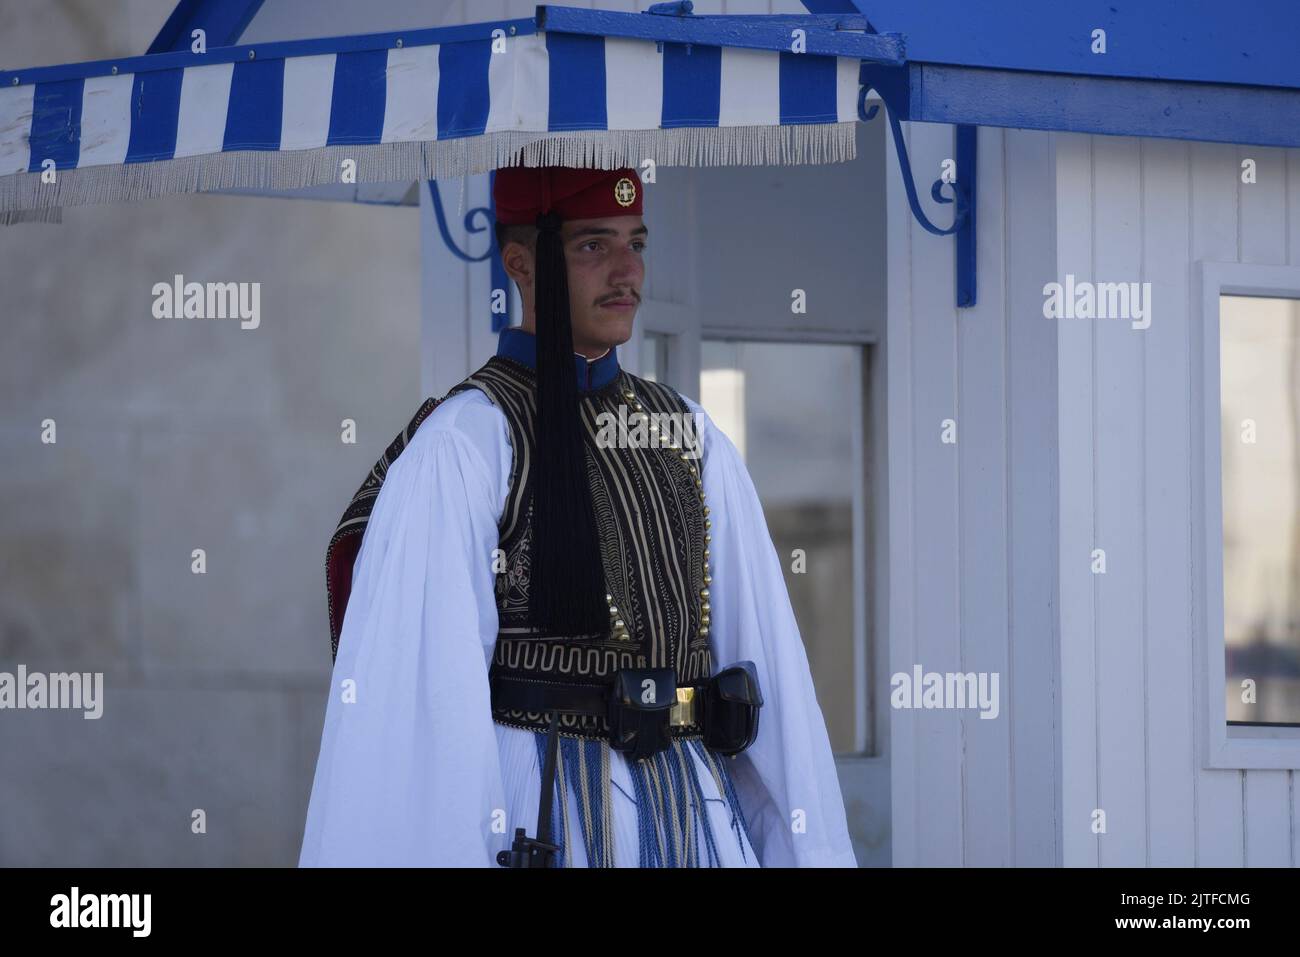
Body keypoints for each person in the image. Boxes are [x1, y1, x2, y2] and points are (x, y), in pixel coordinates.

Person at [299, 163, 857, 868]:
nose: (628, 272)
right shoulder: (467, 440)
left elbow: (768, 665)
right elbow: (427, 705)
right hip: (546, 813)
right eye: (595, 246)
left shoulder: (690, 434)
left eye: (638, 243)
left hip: (696, 816)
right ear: (521, 264)